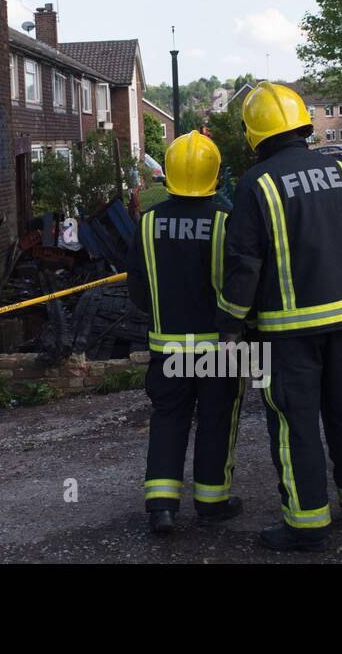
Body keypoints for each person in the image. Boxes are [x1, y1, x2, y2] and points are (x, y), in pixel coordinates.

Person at [216, 81, 342, 552]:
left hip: (288, 335)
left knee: (295, 424)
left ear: (254, 133)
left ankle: (307, 524)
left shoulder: (256, 184)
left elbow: (244, 263)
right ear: (303, 123)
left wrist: (230, 323)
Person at [126, 130, 245, 535]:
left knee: (168, 420)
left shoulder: (147, 224)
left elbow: (138, 291)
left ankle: (162, 507)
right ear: (213, 175)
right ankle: (212, 504)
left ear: (170, 174)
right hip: (219, 352)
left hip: (166, 350)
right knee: (215, 421)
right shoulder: (226, 224)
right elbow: (239, 287)